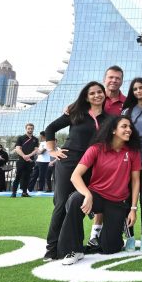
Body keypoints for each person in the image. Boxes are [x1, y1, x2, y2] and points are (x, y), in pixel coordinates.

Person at [58, 116, 142, 265]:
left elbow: (136, 181)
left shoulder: (133, 152)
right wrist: (87, 194)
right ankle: (74, 249)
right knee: (75, 199)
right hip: (96, 196)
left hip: (117, 201)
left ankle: (108, 235)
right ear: (113, 130)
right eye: (124, 126)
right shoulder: (96, 149)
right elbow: (75, 176)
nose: (129, 129)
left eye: (130, 127)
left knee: (110, 248)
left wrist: (133, 209)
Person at [42, 82, 109, 262]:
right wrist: (52, 150)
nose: (97, 95)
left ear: (104, 94)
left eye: (99, 92)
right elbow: (50, 129)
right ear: (86, 97)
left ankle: (75, 246)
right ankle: (52, 248)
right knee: (61, 203)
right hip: (69, 161)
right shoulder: (76, 113)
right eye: (92, 93)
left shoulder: (108, 118)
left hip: (91, 165)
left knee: (78, 205)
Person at [100, 77, 142, 252]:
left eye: (141, 88)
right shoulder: (127, 111)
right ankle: (129, 237)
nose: (138, 91)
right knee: (128, 198)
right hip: (129, 159)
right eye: (135, 89)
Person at [10, 123, 40, 198]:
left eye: (31, 128)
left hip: (30, 161)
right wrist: (24, 156)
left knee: (27, 177)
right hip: (21, 161)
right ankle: (14, 192)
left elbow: (36, 150)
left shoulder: (35, 139)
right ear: (26, 129)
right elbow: (17, 149)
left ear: (33, 129)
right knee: (18, 176)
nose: (30, 130)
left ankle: (24, 192)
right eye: (29, 128)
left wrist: (29, 156)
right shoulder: (21, 138)